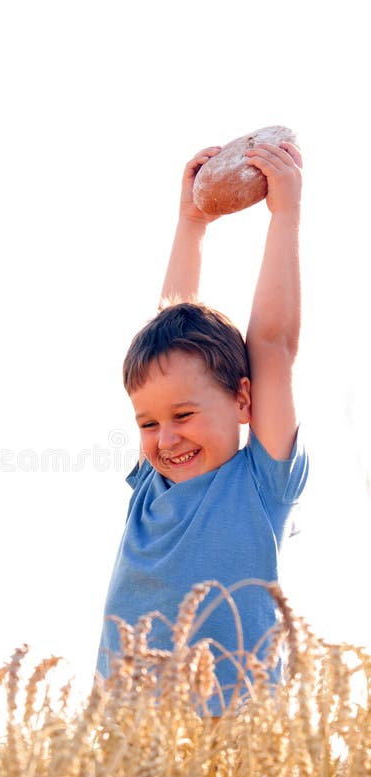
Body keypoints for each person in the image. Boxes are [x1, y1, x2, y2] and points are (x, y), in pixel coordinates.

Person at [97, 140, 308, 713]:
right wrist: (192, 224)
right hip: (128, 756)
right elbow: (170, 324)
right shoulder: (150, 487)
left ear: (244, 400)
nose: (165, 438)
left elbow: (271, 344)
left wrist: (284, 215)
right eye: (147, 422)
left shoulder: (260, 484)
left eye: (184, 416)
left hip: (229, 749)